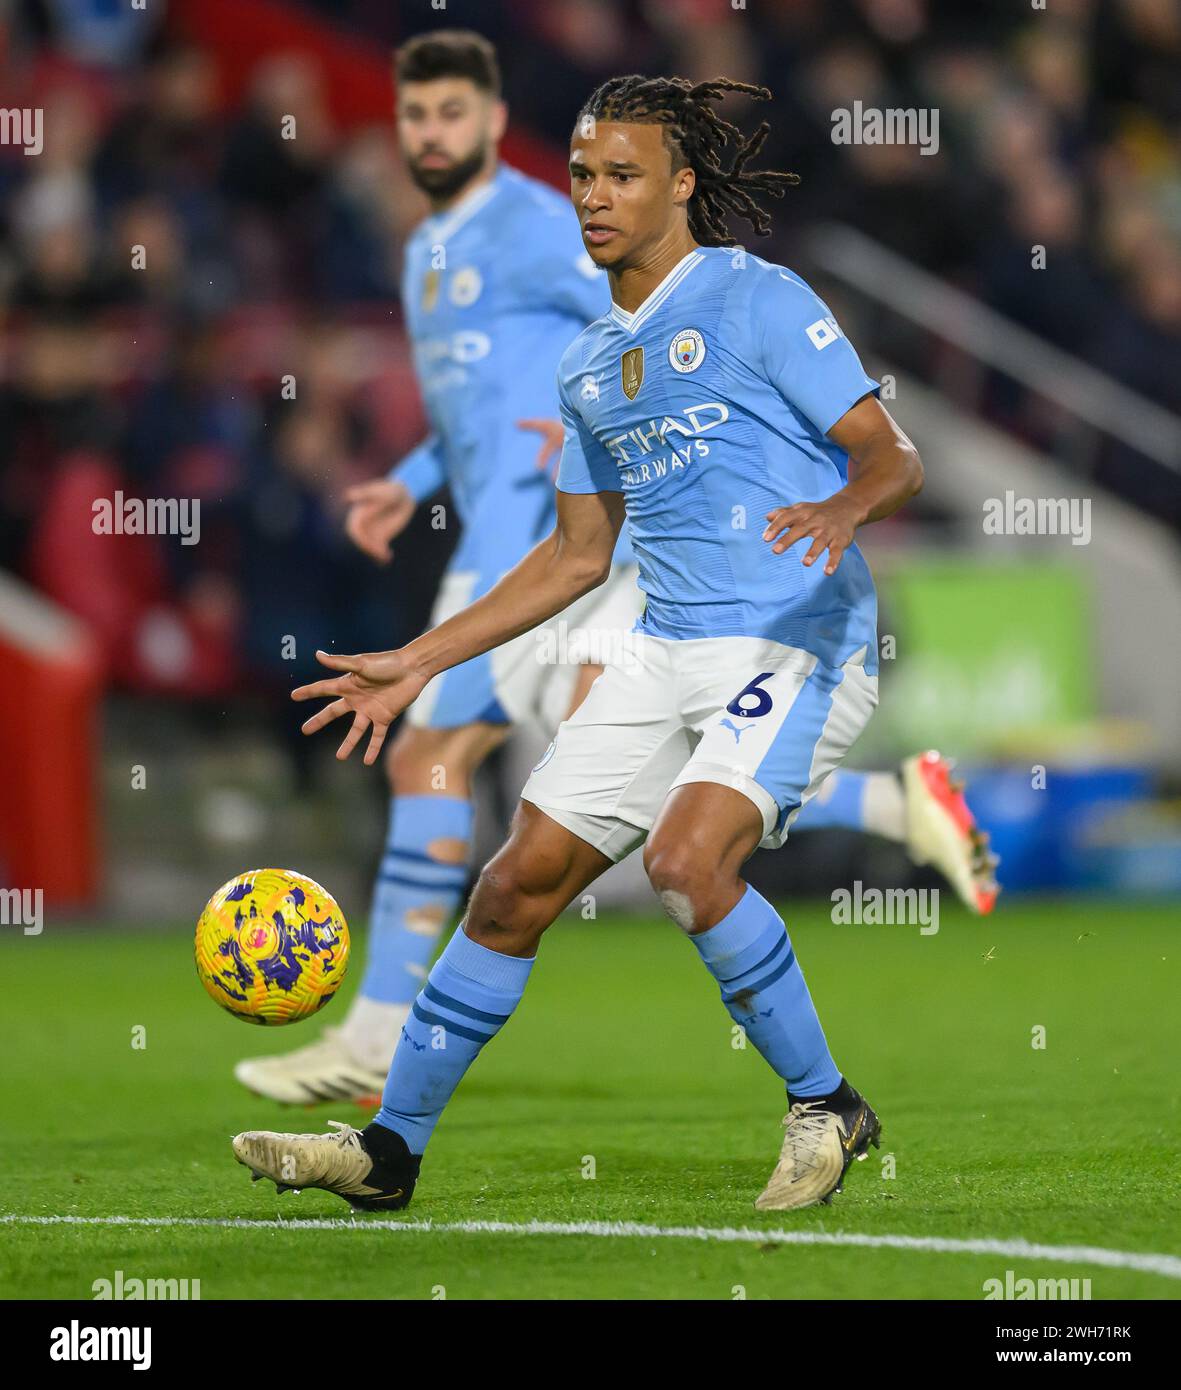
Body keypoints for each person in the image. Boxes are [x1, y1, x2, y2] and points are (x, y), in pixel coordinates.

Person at [233, 73, 933, 1213]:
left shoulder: (754, 298)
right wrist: (419, 658)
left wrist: (839, 511)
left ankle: (825, 1106)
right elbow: (570, 561)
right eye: (581, 176)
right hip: (664, 647)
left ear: (680, 185)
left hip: (793, 641)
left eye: (621, 176)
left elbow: (892, 455)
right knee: (511, 887)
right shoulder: (588, 365)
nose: (593, 197)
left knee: (684, 861)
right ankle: (388, 1151)